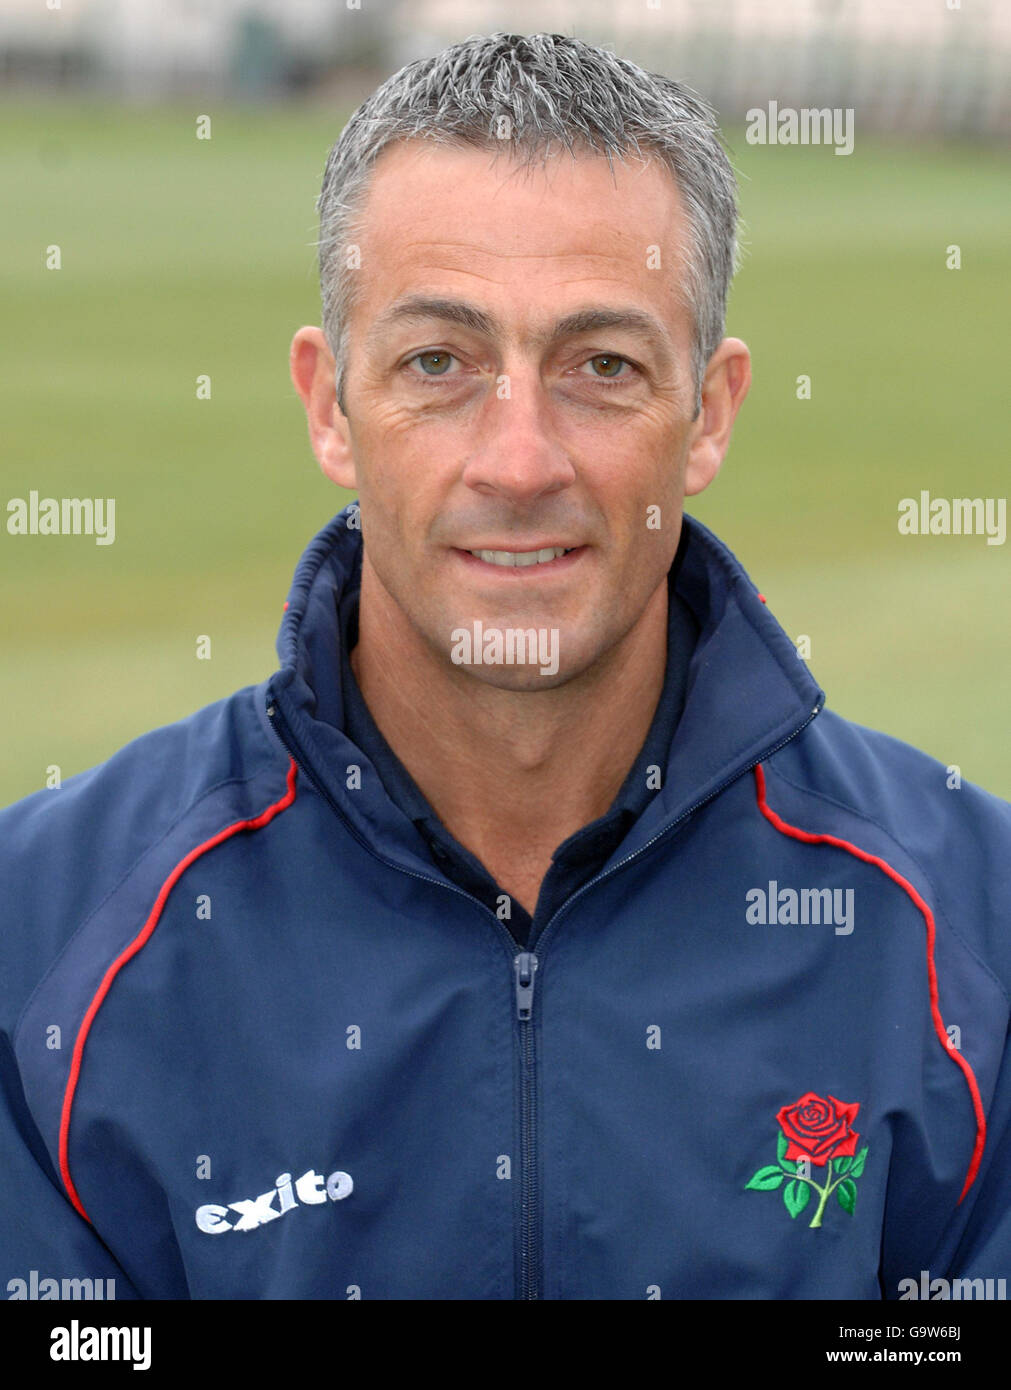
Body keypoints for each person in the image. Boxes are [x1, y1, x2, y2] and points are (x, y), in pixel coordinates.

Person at [2, 31, 1009, 1303]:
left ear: (709, 413)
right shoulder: (38, 935)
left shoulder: (974, 929)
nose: (520, 462)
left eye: (603, 366)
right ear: (329, 405)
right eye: (439, 363)